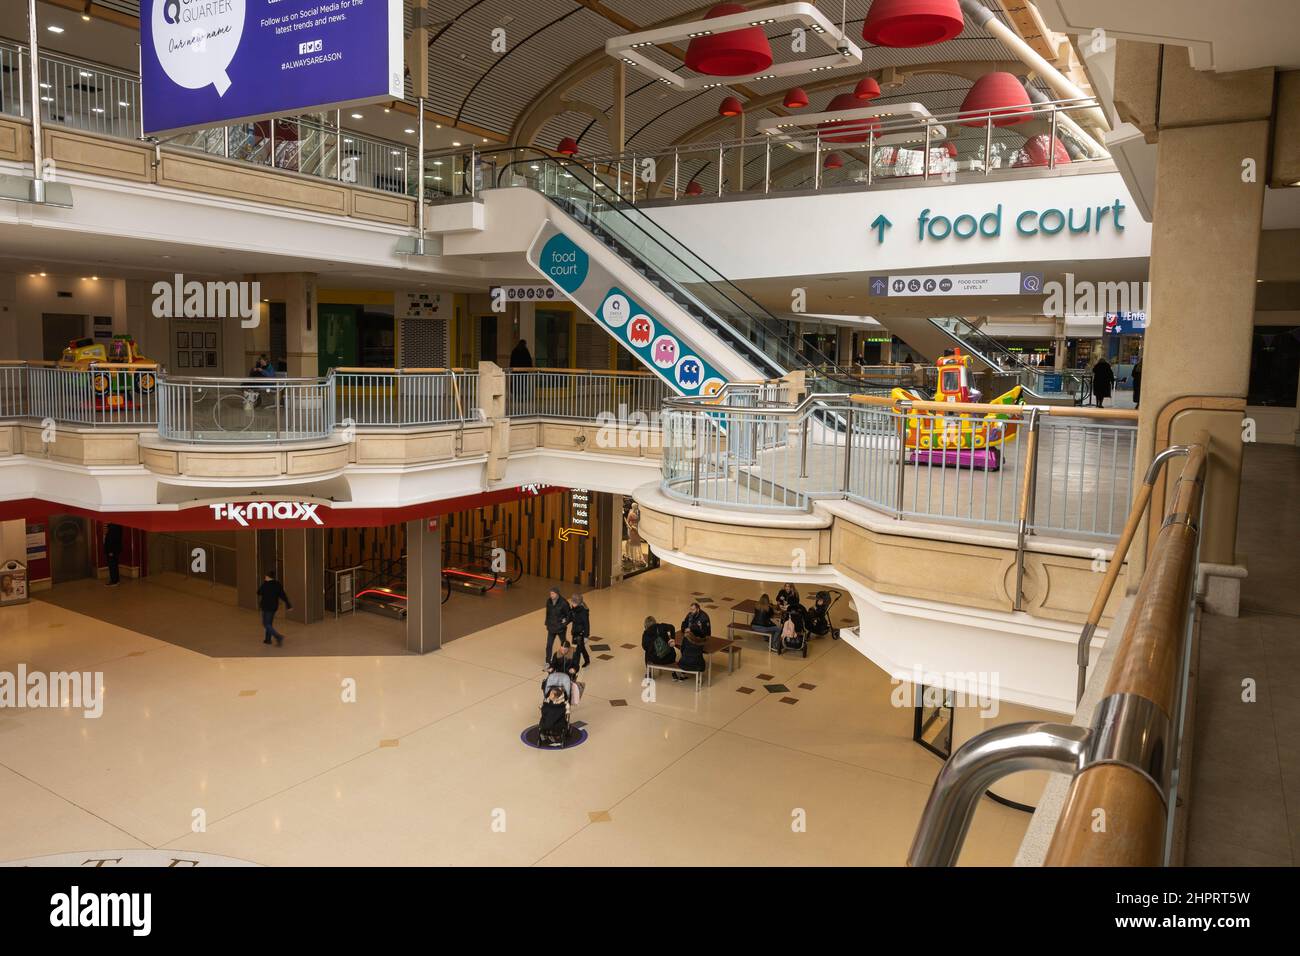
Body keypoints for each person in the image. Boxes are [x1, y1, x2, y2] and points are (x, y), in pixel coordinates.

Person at [257, 570, 292, 646]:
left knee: (265, 624)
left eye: (265, 576)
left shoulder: (265, 584)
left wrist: (265, 583)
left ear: (268, 577)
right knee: (269, 623)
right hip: (273, 607)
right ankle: (268, 639)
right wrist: (288, 604)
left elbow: (259, 592)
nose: (264, 577)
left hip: (266, 606)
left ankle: (278, 636)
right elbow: (283, 595)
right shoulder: (277, 584)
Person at [543, 587, 570, 664]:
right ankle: (548, 661)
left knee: (564, 644)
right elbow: (548, 613)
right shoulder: (549, 601)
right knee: (549, 645)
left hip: (560, 628)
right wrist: (547, 623)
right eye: (550, 593)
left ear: (557, 594)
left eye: (552, 593)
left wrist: (564, 624)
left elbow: (568, 615)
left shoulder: (564, 603)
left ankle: (566, 658)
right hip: (551, 627)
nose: (551, 595)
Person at [568, 594, 591, 668]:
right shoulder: (574, 609)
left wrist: (586, 636)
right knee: (582, 648)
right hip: (575, 631)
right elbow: (571, 618)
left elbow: (586, 624)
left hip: (581, 633)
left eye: (574, 603)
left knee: (577, 650)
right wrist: (565, 622)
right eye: (572, 602)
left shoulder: (583, 611)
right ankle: (587, 660)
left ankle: (575, 666)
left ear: (578, 603)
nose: (572, 604)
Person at [103, 522, 123, 588]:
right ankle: (115, 580)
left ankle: (114, 581)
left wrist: (111, 551)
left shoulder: (114, 527)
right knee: (114, 565)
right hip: (113, 551)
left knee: (112, 566)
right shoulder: (115, 526)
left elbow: (113, 540)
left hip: (112, 551)